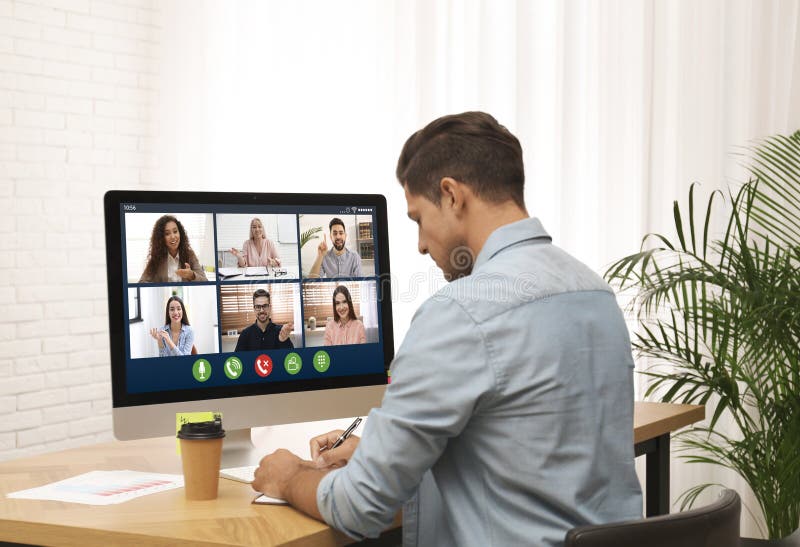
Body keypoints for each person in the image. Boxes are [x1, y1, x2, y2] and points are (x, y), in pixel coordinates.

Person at [252, 112, 643, 545]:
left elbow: (360, 507)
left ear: (452, 195)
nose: (420, 244)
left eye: (418, 219)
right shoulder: (594, 292)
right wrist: (382, 454)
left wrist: (288, 478)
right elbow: (533, 452)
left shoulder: (459, 312)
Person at [139, 215, 207, 283]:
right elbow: (141, 282)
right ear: (161, 238)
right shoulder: (157, 257)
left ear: (180, 233)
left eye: (175, 231)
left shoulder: (190, 255)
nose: (173, 236)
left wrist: (192, 275)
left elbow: (205, 281)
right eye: (167, 234)